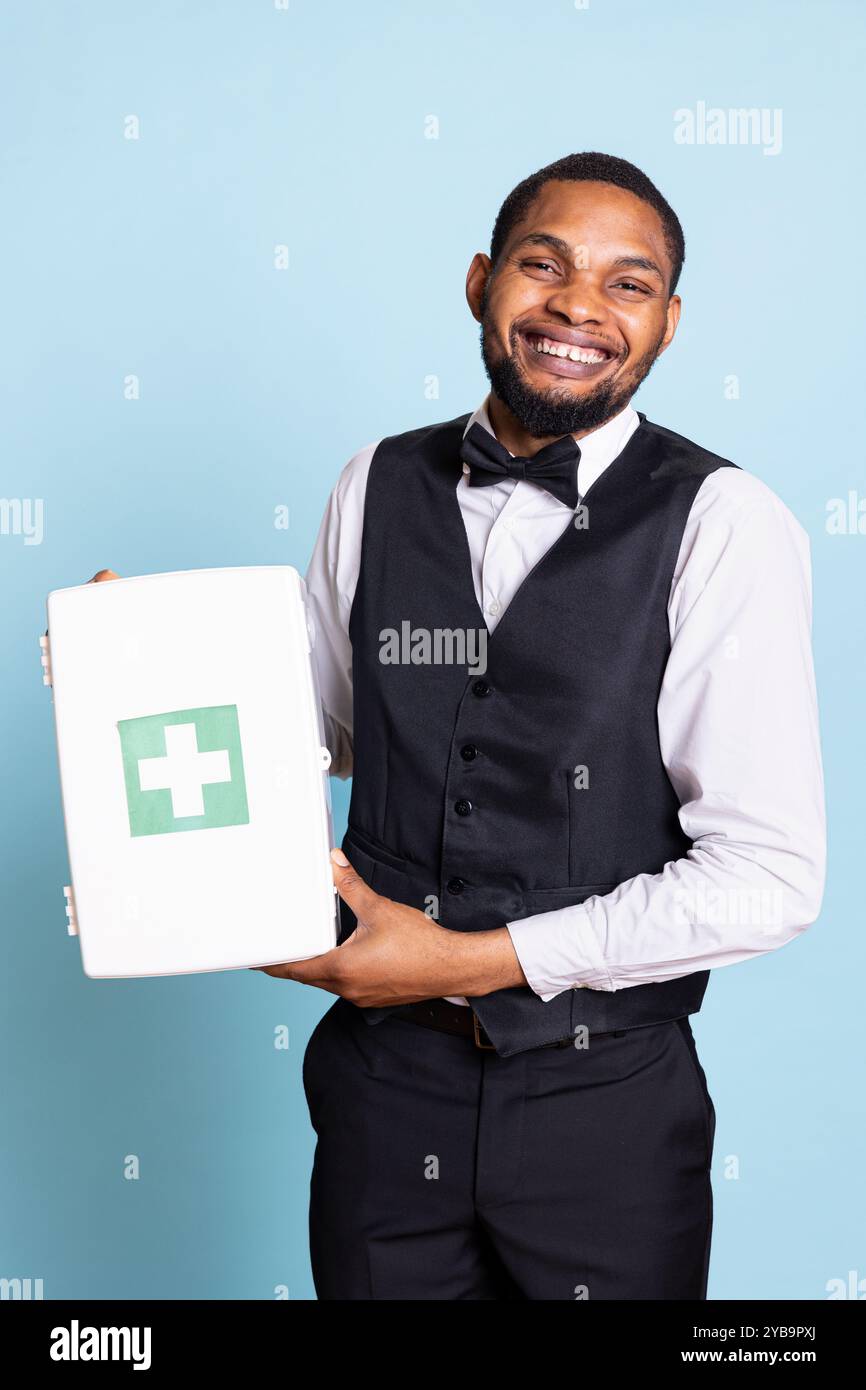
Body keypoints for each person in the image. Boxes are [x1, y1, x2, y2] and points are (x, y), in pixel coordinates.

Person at [95, 151, 827, 1301]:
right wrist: (143, 669)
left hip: (604, 1107)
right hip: (382, 1097)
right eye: (543, 265)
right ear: (482, 280)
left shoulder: (724, 521)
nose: (578, 304)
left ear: (669, 323)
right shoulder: (373, 481)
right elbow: (323, 729)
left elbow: (768, 876)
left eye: (626, 284)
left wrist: (472, 961)